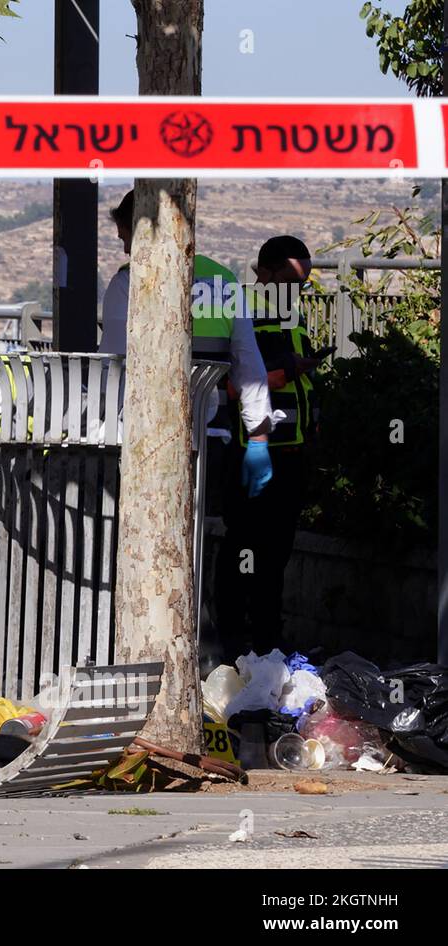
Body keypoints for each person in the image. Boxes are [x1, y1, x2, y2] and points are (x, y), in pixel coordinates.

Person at [100, 188, 276, 497]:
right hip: (212, 438)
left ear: (143, 230)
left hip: (149, 440)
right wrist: (259, 439)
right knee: (198, 535)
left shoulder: (128, 282)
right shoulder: (223, 280)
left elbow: (112, 369)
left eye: (125, 238)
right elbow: (249, 365)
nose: (126, 250)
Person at [215, 235, 321, 653]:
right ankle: (238, 644)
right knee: (245, 550)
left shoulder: (286, 316)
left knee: (275, 556)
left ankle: (267, 643)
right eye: (292, 281)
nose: (296, 291)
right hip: (253, 454)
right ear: (265, 270)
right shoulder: (242, 311)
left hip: (289, 455)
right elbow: (232, 385)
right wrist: (288, 374)